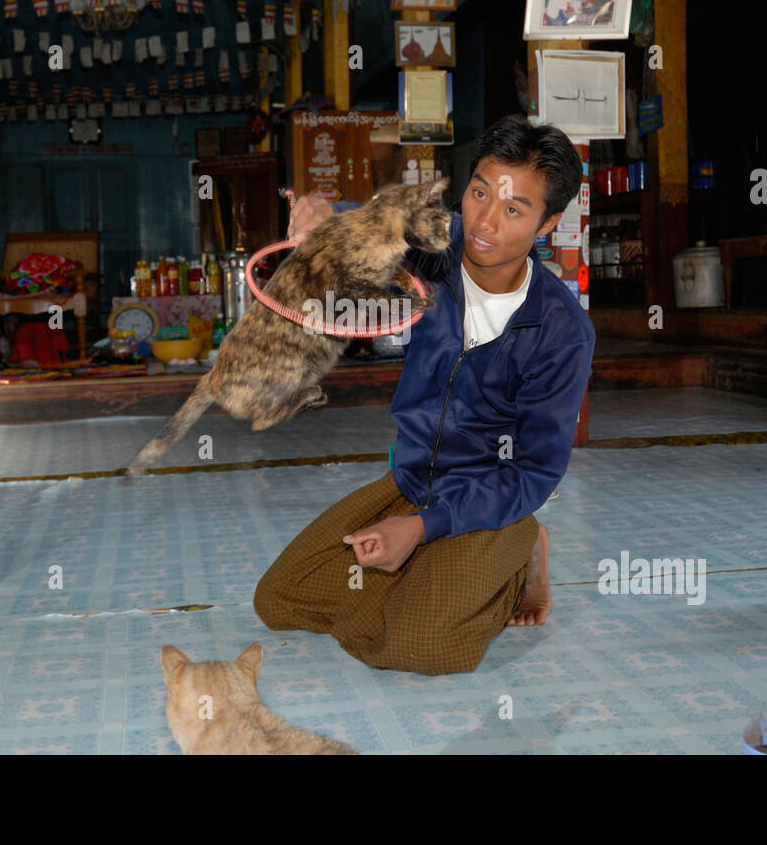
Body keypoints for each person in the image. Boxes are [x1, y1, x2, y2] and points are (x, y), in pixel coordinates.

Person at [253, 118, 596, 675]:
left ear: (547, 223)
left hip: (490, 500)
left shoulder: (561, 331)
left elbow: (533, 473)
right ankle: (431, 573)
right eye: (480, 192)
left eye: (514, 209)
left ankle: (521, 551)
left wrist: (421, 528)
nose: (486, 221)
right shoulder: (441, 245)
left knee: (416, 648)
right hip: (413, 480)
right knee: (281, 599)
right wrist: (324, 211)